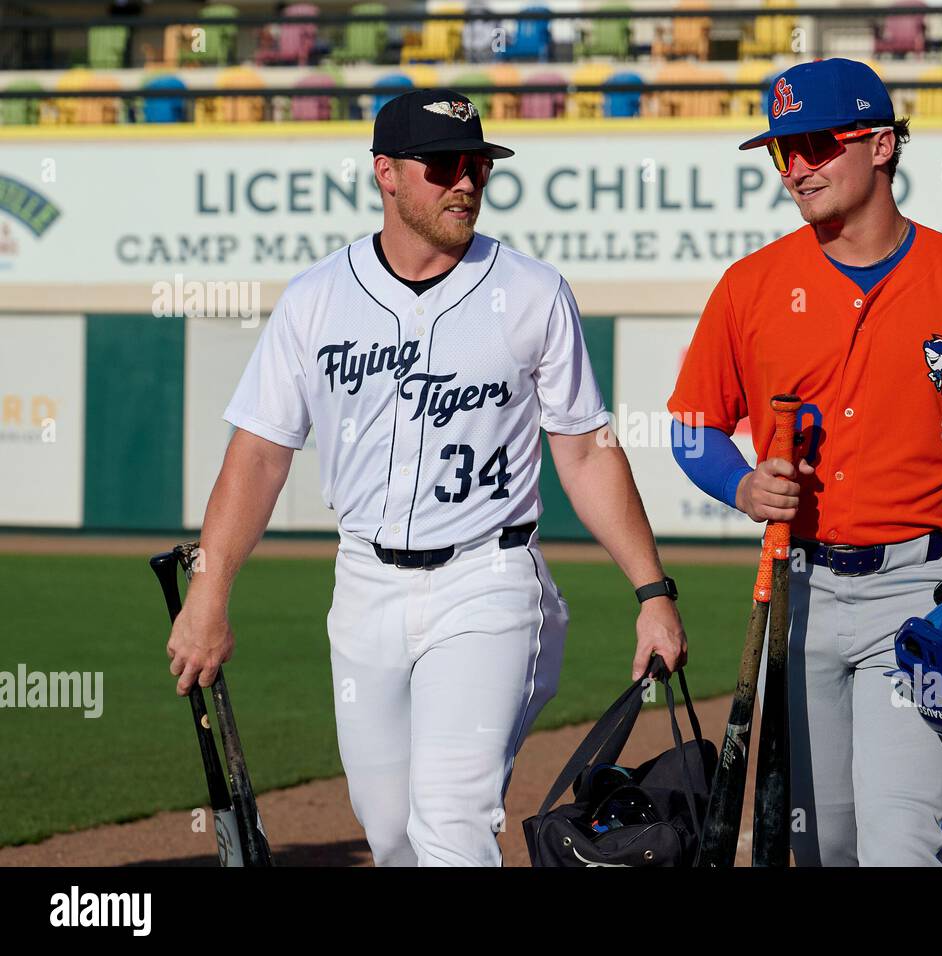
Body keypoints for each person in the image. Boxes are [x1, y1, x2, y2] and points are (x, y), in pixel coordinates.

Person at [166, 89, 686, 867]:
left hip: (489, 579)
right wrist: (207, 597)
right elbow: (259, 456)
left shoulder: (532, 291)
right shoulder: (317, 299)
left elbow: (584, 449)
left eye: (477, 165)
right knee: (393, 833)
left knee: (450, 818)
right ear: (385, 173)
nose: (466, 183)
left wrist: (653, 593)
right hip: (364, 586)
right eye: (443, 165)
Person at [667, 59, 942, 866]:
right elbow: (688, 427)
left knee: (901, 842)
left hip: (922, 593)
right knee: (823, 847)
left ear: (881, 145)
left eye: (815, 144)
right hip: (799, 589)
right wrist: (742, 483)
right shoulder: (750, 287)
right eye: (781, 151)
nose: (795, 168)